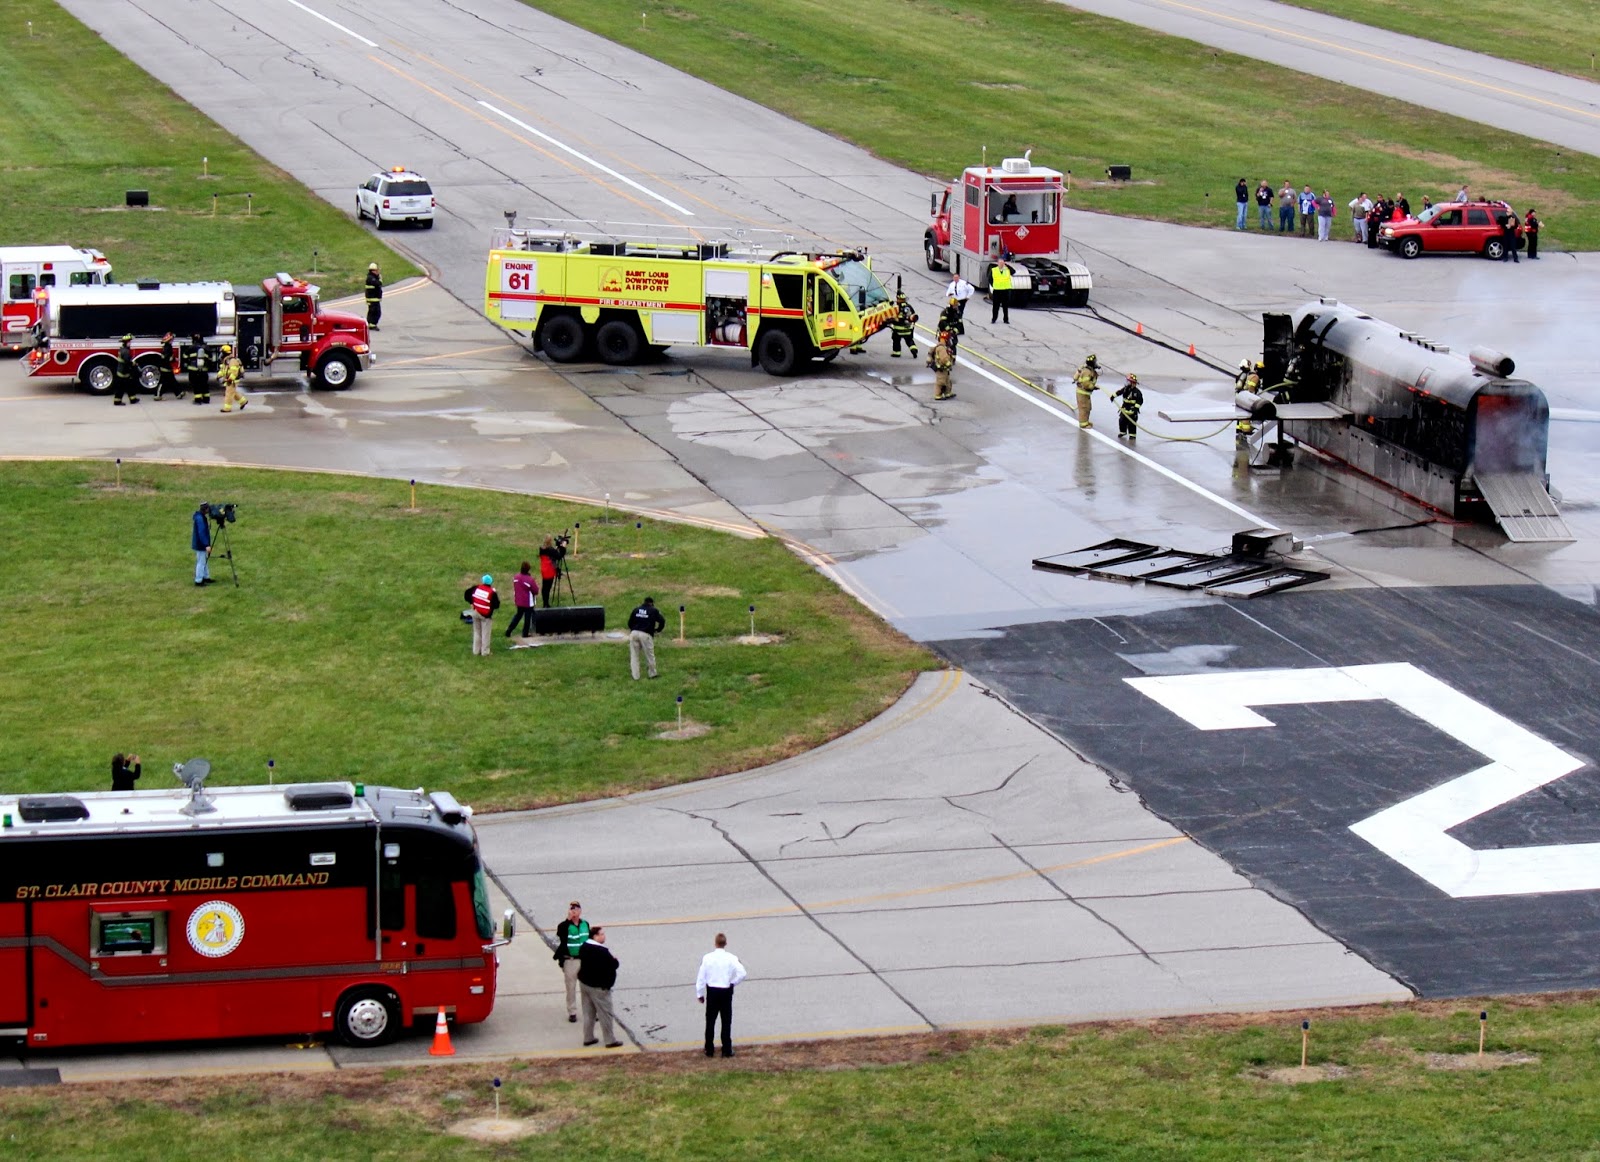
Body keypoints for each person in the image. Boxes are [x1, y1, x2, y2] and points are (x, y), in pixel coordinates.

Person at [696, 932, 748, 1058]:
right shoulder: (731, 957)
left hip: (712, 991)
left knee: (710, 1021)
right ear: (725, 944)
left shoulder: (707, 958)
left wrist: (700, 993)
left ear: (715, 943)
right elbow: (742, 973)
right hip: (725, 991)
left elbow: (701, 977)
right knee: (726, 1021)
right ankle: (726, 1049)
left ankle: (709, 1049)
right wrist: (732, 983)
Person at [577, 926, 623, 1048]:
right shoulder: (601, 951)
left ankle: (588, 1037)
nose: (604, 936)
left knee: (588, 1012)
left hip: (585, 983)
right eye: (601, 934)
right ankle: (609, 1040)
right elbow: (613, 964)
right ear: (595, 936)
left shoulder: (584, 947)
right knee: (605, 1013)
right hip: (599, 987)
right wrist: (614, 960)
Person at [553, 901, 589, 1024]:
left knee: (588, 987)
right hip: (570, 960)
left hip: (584, 959)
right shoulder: (565, 925)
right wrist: (568, 920)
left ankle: (590, 1011)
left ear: (580, 911)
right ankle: (572, 1012)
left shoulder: (585, 924)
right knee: (571, 987)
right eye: (572, 909)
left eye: (576, 908)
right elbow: (561, 934)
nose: (574, 911)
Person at [627, 596, 665, 679]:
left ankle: (635, 676)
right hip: (646, 634)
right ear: (651, 603)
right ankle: (652, 674)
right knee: (649, 655)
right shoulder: (653, 610)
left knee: (634, 656)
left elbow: (629, 623)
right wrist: (658, 630)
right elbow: (662, 621)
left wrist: (633, 629)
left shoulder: (636, 609)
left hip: (634, 633)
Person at [465, 573, 499, 656]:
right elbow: (497, 605)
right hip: (485, 615)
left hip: (475, 612)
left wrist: (472, 602)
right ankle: (485, 652)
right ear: (490, 582)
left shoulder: (476, 588)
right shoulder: (492, 592)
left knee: (477, 632)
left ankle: (476, 651)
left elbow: (466, 594)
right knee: (485, 634)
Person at [506, 561, 536, 638]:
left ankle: (509, 630)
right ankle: (525, 633)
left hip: (519, 601)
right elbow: (535, 590)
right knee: (527, 618)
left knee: (518, 616)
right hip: (528, 602)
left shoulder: (516, 577)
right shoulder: (530, 580)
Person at [1111, 373, 1143, 440]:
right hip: (1124, 410)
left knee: (1132, 424)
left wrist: (1136, 408)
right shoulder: (1125, 389)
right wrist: (1113, 396)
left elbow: (1140, 401)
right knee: (1122, 421)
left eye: (1128, 381)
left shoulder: (1137, 392)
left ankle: (1132, 435)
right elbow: (1119, 392)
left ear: (1132, 383)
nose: (1127, 383)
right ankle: (1123, 432)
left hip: (1132, 411)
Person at [1073, 354, 1099, 430]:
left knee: (1088, 408)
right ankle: (1083, 424)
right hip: (1082, 393)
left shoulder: (1088, 370)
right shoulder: (1087, 372)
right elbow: (1086, 384)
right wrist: (1093, 387)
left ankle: (1086, 422)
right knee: (1084, 409)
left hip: (1085, 393)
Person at [888, 292, 918, 359]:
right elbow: (913, 315)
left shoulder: (896, 307)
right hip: (908, 329)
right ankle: (914, 350)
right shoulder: (909, 307)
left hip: (898, 330)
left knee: (896, 340)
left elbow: (893, 317)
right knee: (909, 340)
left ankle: (896, 353)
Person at [191, 502, 215, 586]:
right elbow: (201, 532)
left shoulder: (200, 517)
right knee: (201, 562)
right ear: (205, 509)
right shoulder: (200, 519)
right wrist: (206, 545)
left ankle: (206, 577)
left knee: (204, 560)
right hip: (200, 543)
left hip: (199, 542)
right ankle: (198, 580)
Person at [218, 344, 247, 413]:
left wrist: (230, 379)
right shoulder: (226, 360)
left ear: (225, 353)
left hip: (232, 380)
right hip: (229, 379)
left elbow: (234, 372)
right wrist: (219, 376)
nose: (221, 354)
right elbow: (223, 370)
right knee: (232, 392)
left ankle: (227, 408)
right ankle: (243, 401)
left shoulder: (232, 360)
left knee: (228, 394)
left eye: (222, 352)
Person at [538, 535, 565, 607]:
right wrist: (563, 547)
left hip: (544, 569)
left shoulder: (541, 549)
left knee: (544, 587)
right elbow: (559, 556)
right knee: (548, 587)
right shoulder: (551, 550)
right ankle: (546, 604)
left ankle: (545, 603)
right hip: (550, 570)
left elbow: (552, 554)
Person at [113, 335, 139, 406]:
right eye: (129, 342)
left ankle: (133, 399)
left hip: (122, 372)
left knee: (130, 386)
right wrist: (133, 365)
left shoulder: (122, 349)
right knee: (121, 388)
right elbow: (127, 362)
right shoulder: (126, 351)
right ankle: (117, 401)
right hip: (123, 373)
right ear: (126, 343)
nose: (130, 343)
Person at [930, 329, 956, 401]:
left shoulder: (944, 347)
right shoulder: (941, 348)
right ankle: (938, 395)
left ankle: (948, 393)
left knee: (947, 381)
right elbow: (944, 358)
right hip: (941, 368)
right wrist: (948, 364)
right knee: (941, 382)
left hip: (944, 368)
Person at [186, 334, 212, 405]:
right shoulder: (207, 347)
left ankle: (198, 400)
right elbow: (210, 359)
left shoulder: (191, 347)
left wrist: (187, 363)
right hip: (204, 371)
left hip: (193, 370)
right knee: (204, 384)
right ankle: (206, 399)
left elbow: (185, 356)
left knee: (196, 385)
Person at [988, 260, 1012, 325]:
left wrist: (1007, 266)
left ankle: (1006, 319)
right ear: (998, 264)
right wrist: (994, 285)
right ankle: (994, 319)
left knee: (1005, 306)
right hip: (997, 290)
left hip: (1005, 290)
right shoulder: (994, 270)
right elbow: (990, 279)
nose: (1001, 265)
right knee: (995, 306)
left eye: (1002, 263)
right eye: (1000, 263)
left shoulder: (1007, 270)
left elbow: (1013, 272)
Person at [157, 332, 179, 400]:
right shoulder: (168, 347)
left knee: (173, 381)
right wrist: (174, 359)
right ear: (169, 340)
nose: (173, 341)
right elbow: (167, 358)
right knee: (163, 382)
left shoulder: (167, 346)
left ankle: (179, 393)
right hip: (165, 367)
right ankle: (157, 395)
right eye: (172, 339)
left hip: (167, 367)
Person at [365, 262, 383, 330]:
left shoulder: (373, 277)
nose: (378, 271)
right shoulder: (371, 278)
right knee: (375, 312)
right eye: (377, 270)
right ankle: (372, 325)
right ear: (373, 271)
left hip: (374, 299)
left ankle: (371, 324)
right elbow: (378, 284)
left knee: (373, 312)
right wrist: (380, 278)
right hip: (372, 299)